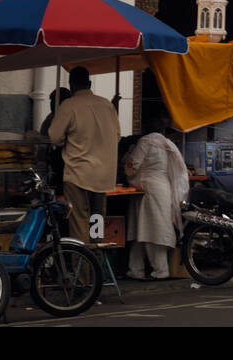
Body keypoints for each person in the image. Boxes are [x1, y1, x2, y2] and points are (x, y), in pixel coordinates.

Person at [48, 66, 121, 243]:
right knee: (97, 220)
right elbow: (117, 136)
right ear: (89, 83)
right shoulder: (107, 105)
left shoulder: (69, 105)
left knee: (79, 221)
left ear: (71, 85)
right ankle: (96, 257)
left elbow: (54, 137)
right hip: (103, 176)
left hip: (78, 173)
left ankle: (82, 268)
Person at [122, 116, 189, 280]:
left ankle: (160, 270)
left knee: (150, 232)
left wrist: (125, 165)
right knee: (146, 230)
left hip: (147, 190)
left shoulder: (145, 142)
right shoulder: (167, 144)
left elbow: (133, 165)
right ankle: (135, 269)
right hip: (163, 188)